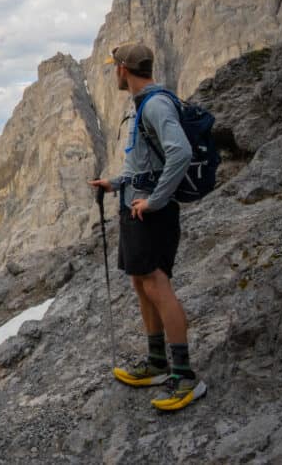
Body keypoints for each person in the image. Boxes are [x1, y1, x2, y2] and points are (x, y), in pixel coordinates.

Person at [87, 43, 206, 412]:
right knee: (142, 283)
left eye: (114, 68)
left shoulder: (155, 104)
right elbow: (146, 164)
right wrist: (117, 184)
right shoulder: (145, 104)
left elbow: (180, 153)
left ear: (124, 70)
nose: (113, 74)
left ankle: (184, 375)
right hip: (136, 209)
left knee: (157, 285)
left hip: (150, 214)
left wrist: (153, 201)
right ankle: (157, 364)